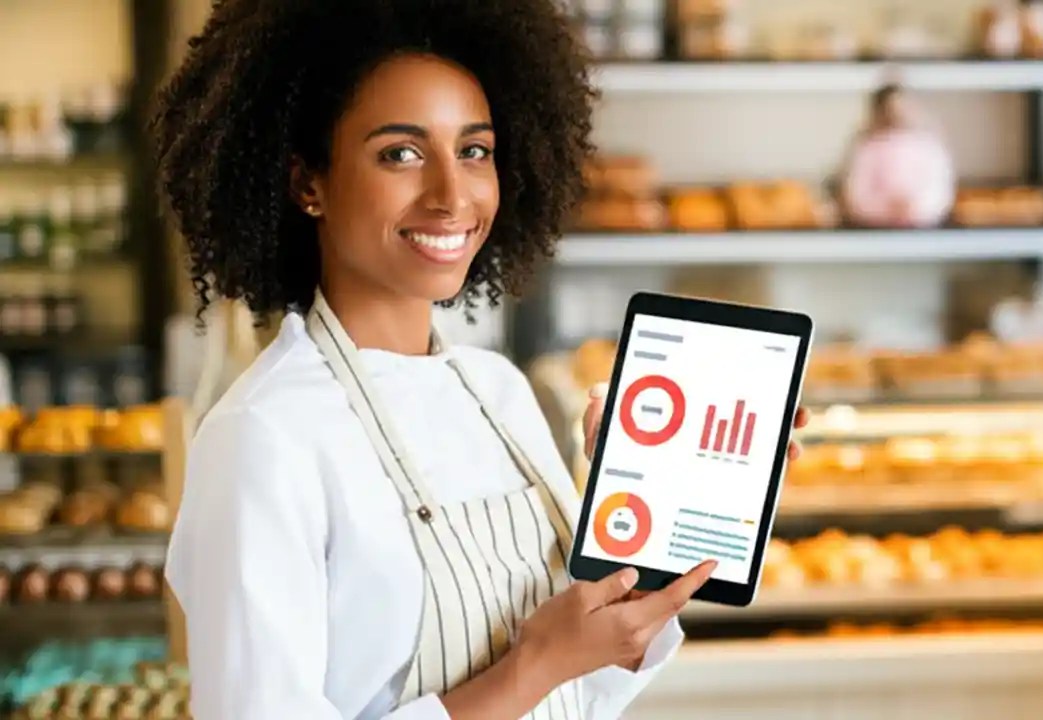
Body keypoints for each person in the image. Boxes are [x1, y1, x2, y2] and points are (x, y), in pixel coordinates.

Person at [151, 1, 808, 719]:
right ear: (308, 182)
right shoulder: (263, 438)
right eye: (400, 153)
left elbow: (581, 694)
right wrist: (533, 664)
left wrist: (665, 524)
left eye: (474, 151)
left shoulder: (498, 393)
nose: (451, 195)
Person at [839, 84, 955, 228]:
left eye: (902, 107)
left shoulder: (930, 147)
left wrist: (914, 207)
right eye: (890, 109)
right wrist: (886, 208)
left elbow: (939, 191)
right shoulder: (866, 148)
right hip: (875, 230)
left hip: (924, 229)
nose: (897, 114)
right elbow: (856, 194)